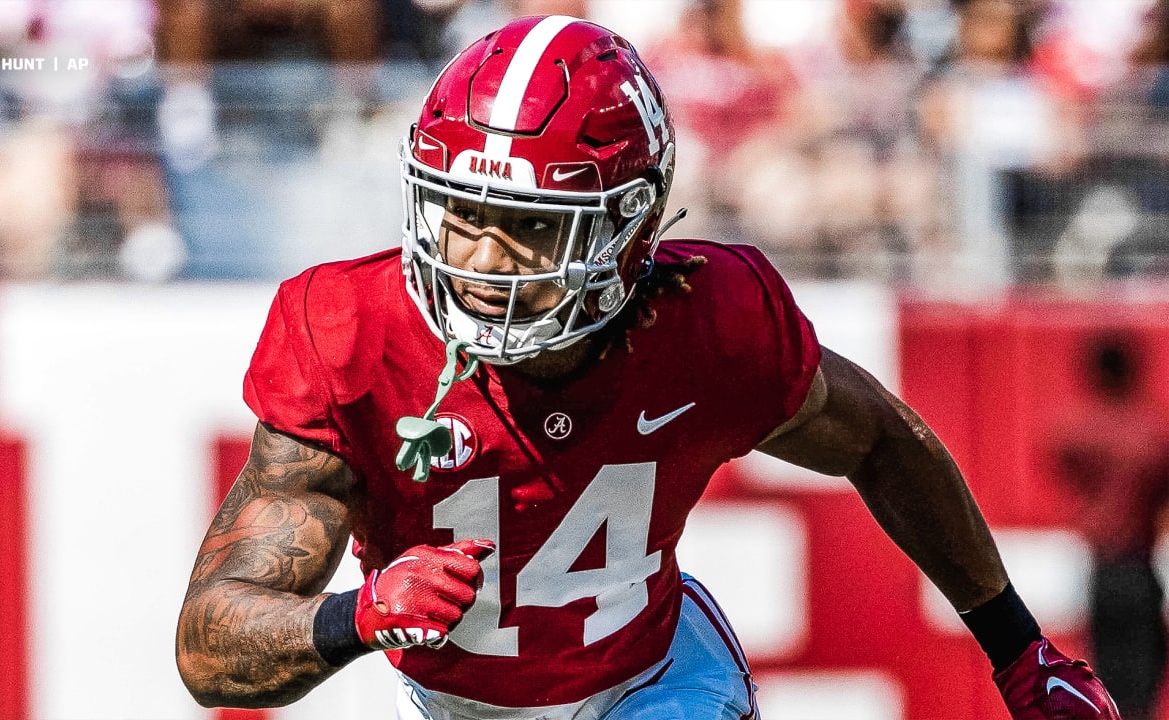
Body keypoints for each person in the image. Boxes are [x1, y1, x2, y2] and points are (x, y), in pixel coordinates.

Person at [176, 15, 1121, 720]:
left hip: (651, 682)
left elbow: (879, 442)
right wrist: (359, 613)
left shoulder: (707, 320)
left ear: (627, 229)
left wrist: (1018, 648)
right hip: (450, 707)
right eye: (462, 213)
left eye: (532, 226)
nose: (482, 259)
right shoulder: (348, 329)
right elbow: (212, 641)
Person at [1046, 332, 1169, 720]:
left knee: (1103, 692)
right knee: (1141, 692)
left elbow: (1062, 457)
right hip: (1139, 568)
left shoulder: (1080, 430)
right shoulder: (1151, 433)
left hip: (1100, 570)